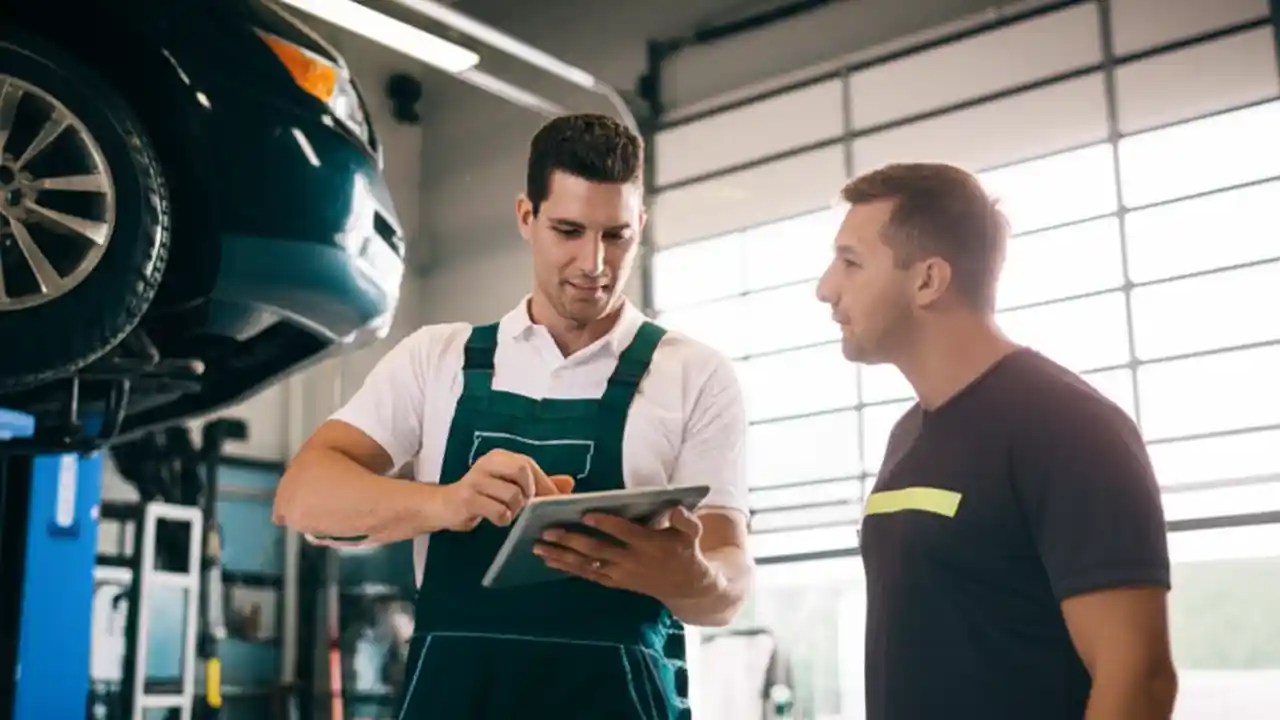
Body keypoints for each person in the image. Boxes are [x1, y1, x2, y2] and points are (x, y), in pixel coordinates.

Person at [272, 113, 753, 719]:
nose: (594, 263)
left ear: (642, 226)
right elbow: (302, 497)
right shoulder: (437, 359)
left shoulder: (696, 375)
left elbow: (728, 586)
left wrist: (691, 576)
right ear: (526, 216)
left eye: (617, 236)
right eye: (569, 230)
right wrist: (448, 503)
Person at [815, 164, 1178, 719]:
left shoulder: (1068, 427)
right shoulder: (907, 435)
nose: (825, 288)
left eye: (851, 263)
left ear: (928, 280)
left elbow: (1139, 679)